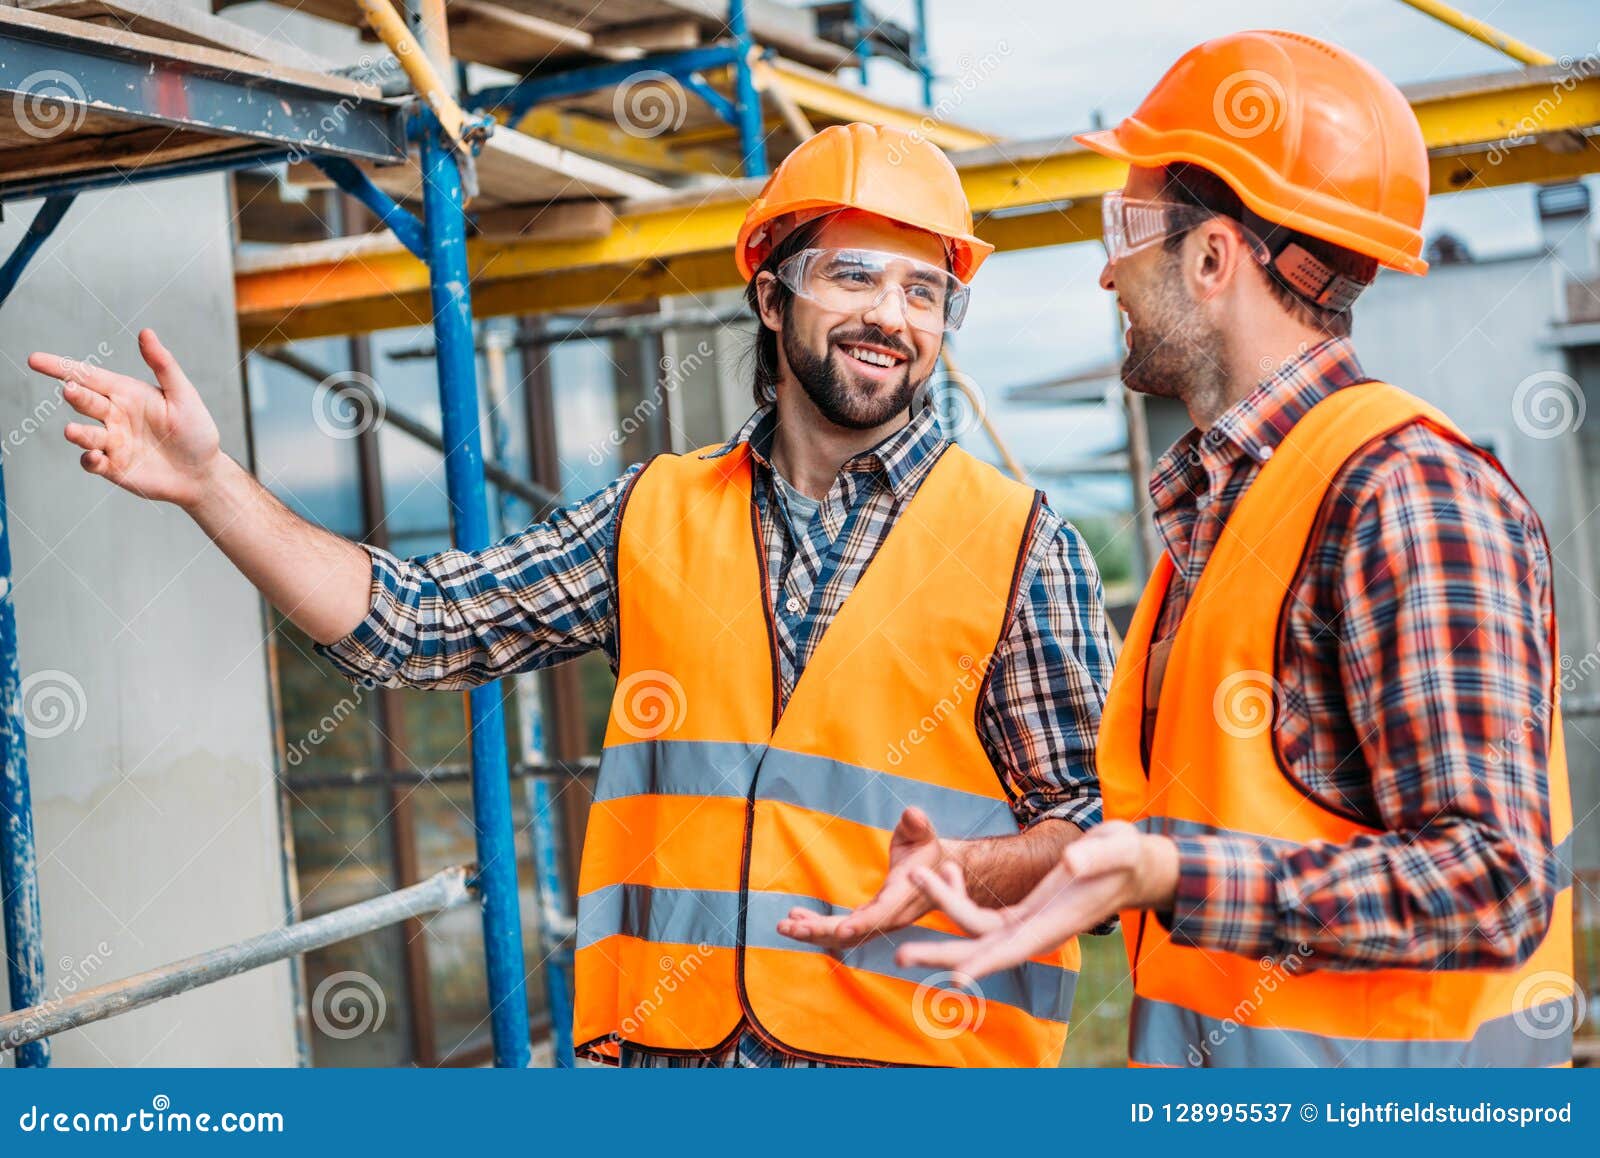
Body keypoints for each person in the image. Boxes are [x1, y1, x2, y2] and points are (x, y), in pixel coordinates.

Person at [30, 122, 1113, 1068]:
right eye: (856, 276)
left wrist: (962, 866)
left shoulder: (1016, 543)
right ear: (771, 292)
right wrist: (211, 485)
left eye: (926, 290)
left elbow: (1104, 829)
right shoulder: (656, 512)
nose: (893, 314)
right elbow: (418, 625)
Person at [897, 31, 1576, 1067]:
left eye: (1124, 228)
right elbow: (1198, 832)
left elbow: (1491, 884)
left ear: (1213, 257)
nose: (1106, 273)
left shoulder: (1405, 492)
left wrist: (1171, 875)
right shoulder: (1225, 512)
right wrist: (982, 869)